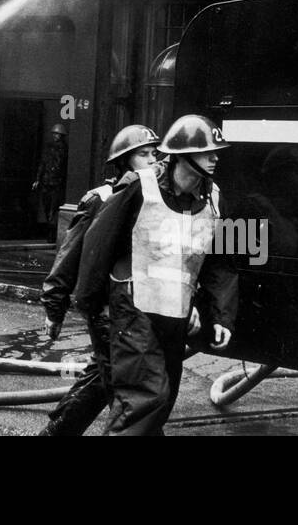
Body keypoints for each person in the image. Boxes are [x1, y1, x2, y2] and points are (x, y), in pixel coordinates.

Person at [74, 114, 238, 436]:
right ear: (184, 154)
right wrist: (91, 305)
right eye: (208, 151)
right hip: (133, 310)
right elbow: (97, 242)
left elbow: (222, 263)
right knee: (147, 398)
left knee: (161, 403)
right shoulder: (139, 186)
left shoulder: (216, 198)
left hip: (174, 316)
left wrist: (222, 316)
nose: (216, 157)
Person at [38, 124, 160, 437]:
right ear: (124, 162)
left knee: (104, 379)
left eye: (153, 153)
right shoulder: (99, 199)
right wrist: (55, 307)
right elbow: (69, 256)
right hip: (107, 310)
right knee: (127, 389)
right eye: (143, 154)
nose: (152, 159)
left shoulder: (151, 198)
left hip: (133, 309)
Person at [33, 123, 69, 235]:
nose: (55, 136)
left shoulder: (64, 149)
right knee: (47, 206)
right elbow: (42, 164)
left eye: (57, 134)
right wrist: (38, 179)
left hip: (56, 182)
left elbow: (62, 166)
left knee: (53, 209)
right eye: (54, 134)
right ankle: (50, 230)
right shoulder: (48, 147)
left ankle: (51, 232)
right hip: (46, 181)